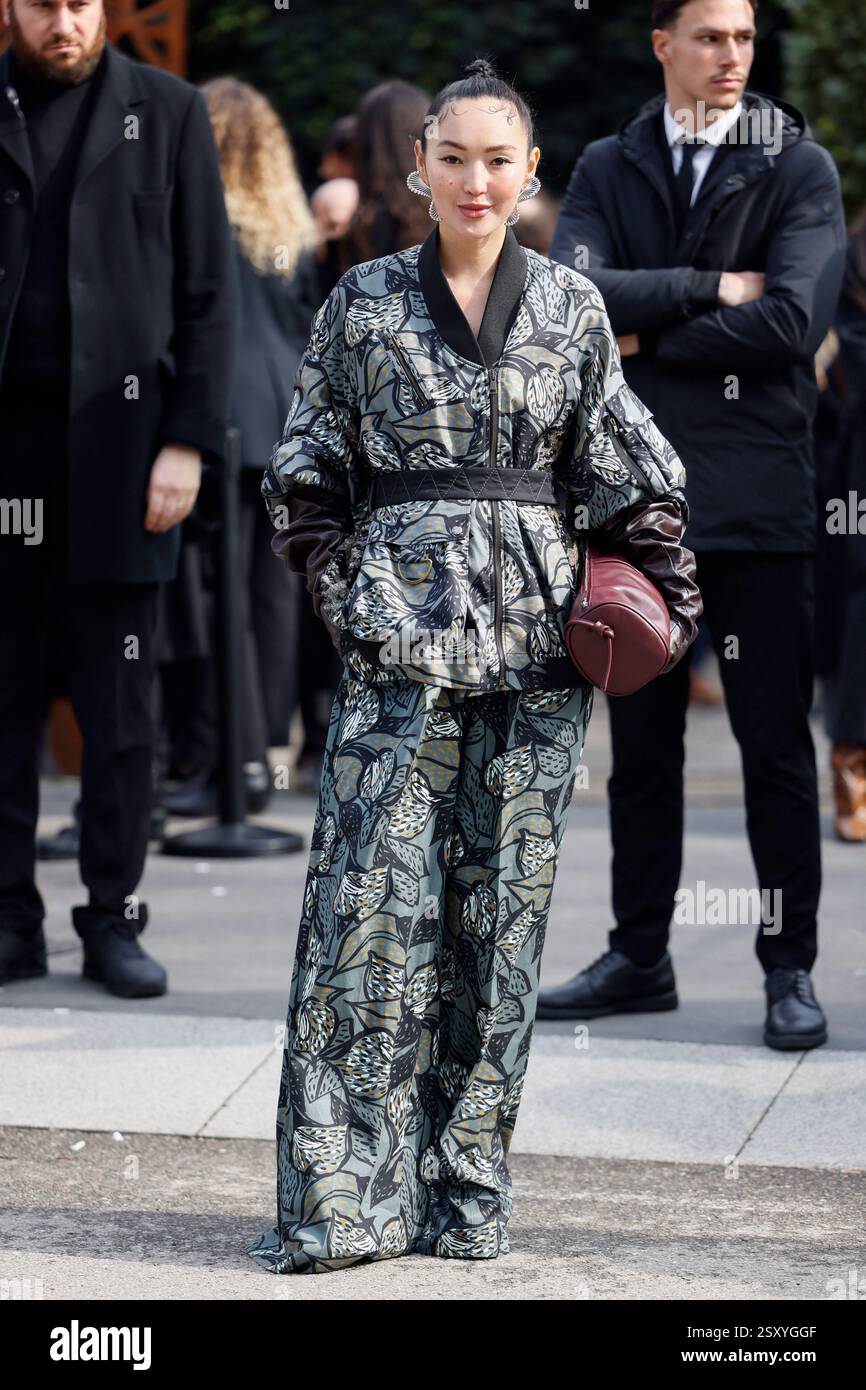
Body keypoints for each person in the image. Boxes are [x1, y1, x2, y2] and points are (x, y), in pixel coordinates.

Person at [246, 57, 702, 1275]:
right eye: (453, 156)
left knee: (496, 936)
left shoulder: (570, 310)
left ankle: (460, 1198)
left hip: (535, 669)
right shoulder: (360, 306)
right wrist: (356, 598)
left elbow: (630, 471)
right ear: (420, 168)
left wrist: (667, 596)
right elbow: (300, 476)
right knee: (365, 923)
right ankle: (343, 1201)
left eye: (499, 159)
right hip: (398, 661)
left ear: (529, 171)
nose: (475, 180)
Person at [540, 0, 847, 1050]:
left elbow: (791, 323)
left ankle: (786, 966)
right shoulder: (606, 162)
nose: (730, 57)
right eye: (709, 36)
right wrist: (707, 288)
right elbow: (572, 300)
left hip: (756, 503)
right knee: (639, 749)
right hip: (632, 502)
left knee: (770, 746)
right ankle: (637, 955)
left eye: (744, 38)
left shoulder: (795, 166)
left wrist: (645, 330)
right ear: (660, 41)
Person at [0, 0, 234, 995]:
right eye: (45, 3)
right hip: (7, 464)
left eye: (84, 3)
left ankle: (112, 918)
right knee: (3, 705)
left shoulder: (169, 111)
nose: (67, 22)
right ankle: (11, 919)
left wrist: (184, 440)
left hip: (125, 457)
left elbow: (208, 292)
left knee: (122, 711)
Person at [160, 77, 322, 816]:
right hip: (286, 424)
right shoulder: (287, 226)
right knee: (270, 598)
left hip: (219, 423)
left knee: (207, 600)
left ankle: (222, 761)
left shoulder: (194, 217)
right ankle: (260, 756)